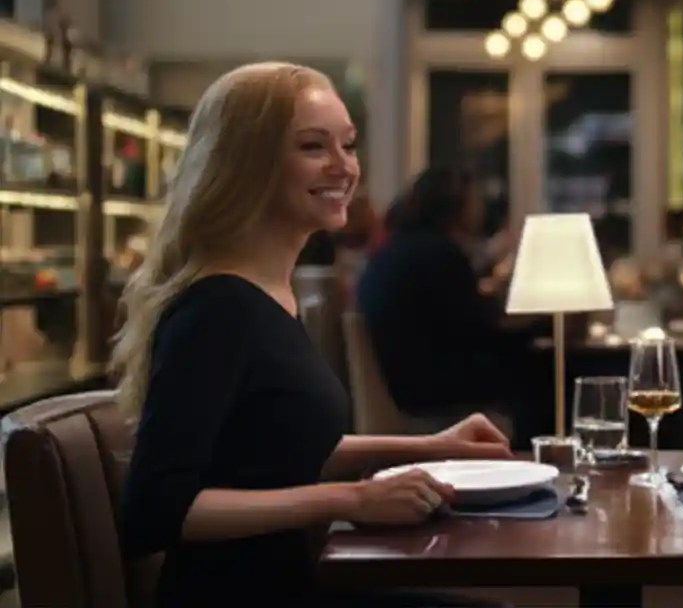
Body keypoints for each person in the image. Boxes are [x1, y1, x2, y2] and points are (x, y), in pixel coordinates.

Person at [114, 63, 513, 608]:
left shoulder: (269, 294)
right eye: (312, 146)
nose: (344, 167)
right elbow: (156, 511)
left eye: (348, 146)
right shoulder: (218, 308)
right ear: (247, 165)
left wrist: (433, 446)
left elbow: (280, 451)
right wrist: (350, 498)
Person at [357, 165, 540, 435]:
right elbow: (481, 329)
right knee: (544, 374)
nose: (480, 208)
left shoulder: (399, 249)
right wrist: (543, 326)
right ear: (455, 204)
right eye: (475, 199)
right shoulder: (439, 253)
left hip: (405, 382)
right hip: (430, 392)